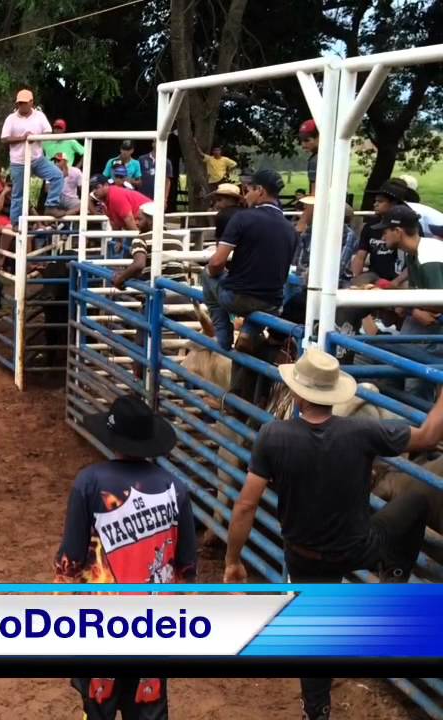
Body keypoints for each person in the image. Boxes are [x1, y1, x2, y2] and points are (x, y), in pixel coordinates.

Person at [224, 348, 443, 720]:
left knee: (314, 637)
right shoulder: (362, 431)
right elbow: (427, 436)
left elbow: (245, 505)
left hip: (303, 553)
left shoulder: (272, 436)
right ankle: (393, 577)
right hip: (359, 547)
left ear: (298, 394)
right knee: (415, 504)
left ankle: (317, 710)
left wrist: (233, 560)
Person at [56, 394, 195, 720]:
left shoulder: (89, 484)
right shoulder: (176, 489)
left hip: (102, 624)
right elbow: (186, 564)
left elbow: (71, 559)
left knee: (99, 710)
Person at [200, 168, 295, 352]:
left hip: (237, 297)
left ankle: (223, 336)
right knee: (260, 305)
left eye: (248, 190)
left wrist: (214, 274)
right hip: (272, 302)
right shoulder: (290, 228)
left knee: (206, 274)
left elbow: (216, 263)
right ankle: (248, 333)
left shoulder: (242, 218)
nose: (246, 195)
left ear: (260, 190)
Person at [376, 206, 443, 400]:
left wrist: (407, 305)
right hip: (428, 325)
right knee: (400, 370)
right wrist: (412, 309)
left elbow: (438, 301)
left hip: (436, 327)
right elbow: (421, 297)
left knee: (416, 382)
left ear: (398, 231)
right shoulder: (416, 252)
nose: (383, 235)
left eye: (386, 230)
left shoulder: (429, 256)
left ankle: (418, 426)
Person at [1, 87, 65, 223]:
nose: (21, 105)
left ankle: (51, 206)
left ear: (31, 102)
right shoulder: (11, 119)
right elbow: (4, 138)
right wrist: (23, 138)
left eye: (24, 102)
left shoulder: (39, 116)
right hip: (19, 161)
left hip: (37, 158)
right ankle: (16, 223)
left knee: (57, 175)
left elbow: (48, 133)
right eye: (19, 103)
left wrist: (36, 137)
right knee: (18, 193)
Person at [87, 174, 148, 257]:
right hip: (138, 227)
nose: (94, 191)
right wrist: (119, 241)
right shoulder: (105, 201)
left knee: (136, 257)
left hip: (148, 223)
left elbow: (129, 219)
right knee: (128, 256)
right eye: (92, 188)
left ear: (106, 185)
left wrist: (139, 240)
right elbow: (114, 222)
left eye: (97, 187)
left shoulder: (115, 195)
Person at [299, 119, 319, 193]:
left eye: (307, 140)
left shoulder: (315, 160)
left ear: (319, 137)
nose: (303, 145)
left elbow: (314, 193)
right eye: (301, 141)